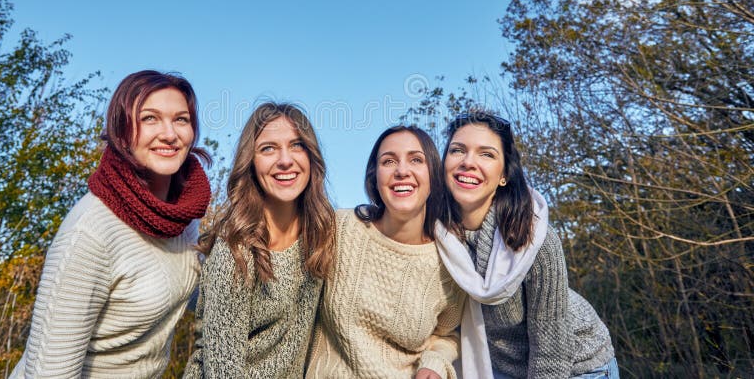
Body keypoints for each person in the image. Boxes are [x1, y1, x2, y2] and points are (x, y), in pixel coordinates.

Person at [11, 70, 213, 378]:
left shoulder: (180, 215)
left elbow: (191, 291)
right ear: (121, 130)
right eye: (150, 119)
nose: (170, 134)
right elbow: (48, 372)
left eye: (181, 119)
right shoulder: (90, 233)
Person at [435, 110, 618, 379]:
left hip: (578, 365)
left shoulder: (533, 237)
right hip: (501, 367)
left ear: (503, 176)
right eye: (457, 150)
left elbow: (551, 351)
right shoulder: (436, 234)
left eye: (486, 154)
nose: (468, 162)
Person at [183, 102, 335, 378]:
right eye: (268, 148)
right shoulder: (235, 251)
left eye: (297, 145)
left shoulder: (321, 236)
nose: (285, 160)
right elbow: (222, 370)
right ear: (250, 163)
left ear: (311, 157)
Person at [306, 125, 466, 379]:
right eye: (388, 161)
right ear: (375, 178)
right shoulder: (339, 229)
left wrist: (434, 363)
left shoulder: (449, 263)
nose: (402, 171)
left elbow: (446, 335)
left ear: (434, 175)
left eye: (416, 159)